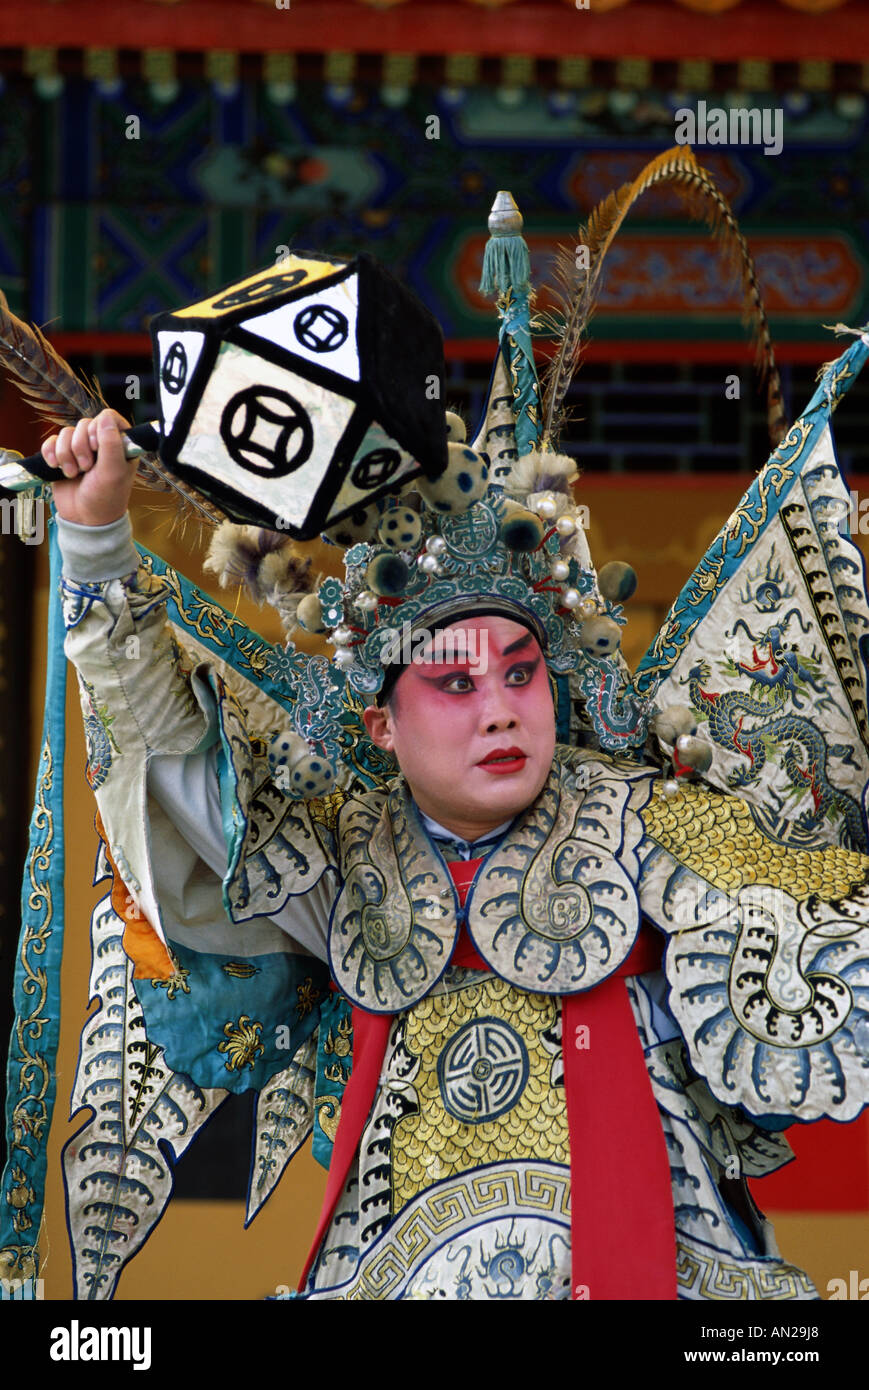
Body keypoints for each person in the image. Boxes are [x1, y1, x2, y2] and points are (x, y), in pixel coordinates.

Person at [43, 404, 842, 1302]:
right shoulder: (342, 855)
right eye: (454, 683)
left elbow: (829, 913)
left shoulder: (651, 821)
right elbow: (178, 773)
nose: (498, 708)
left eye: (518, 671)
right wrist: (99, 542)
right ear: (381, 724)